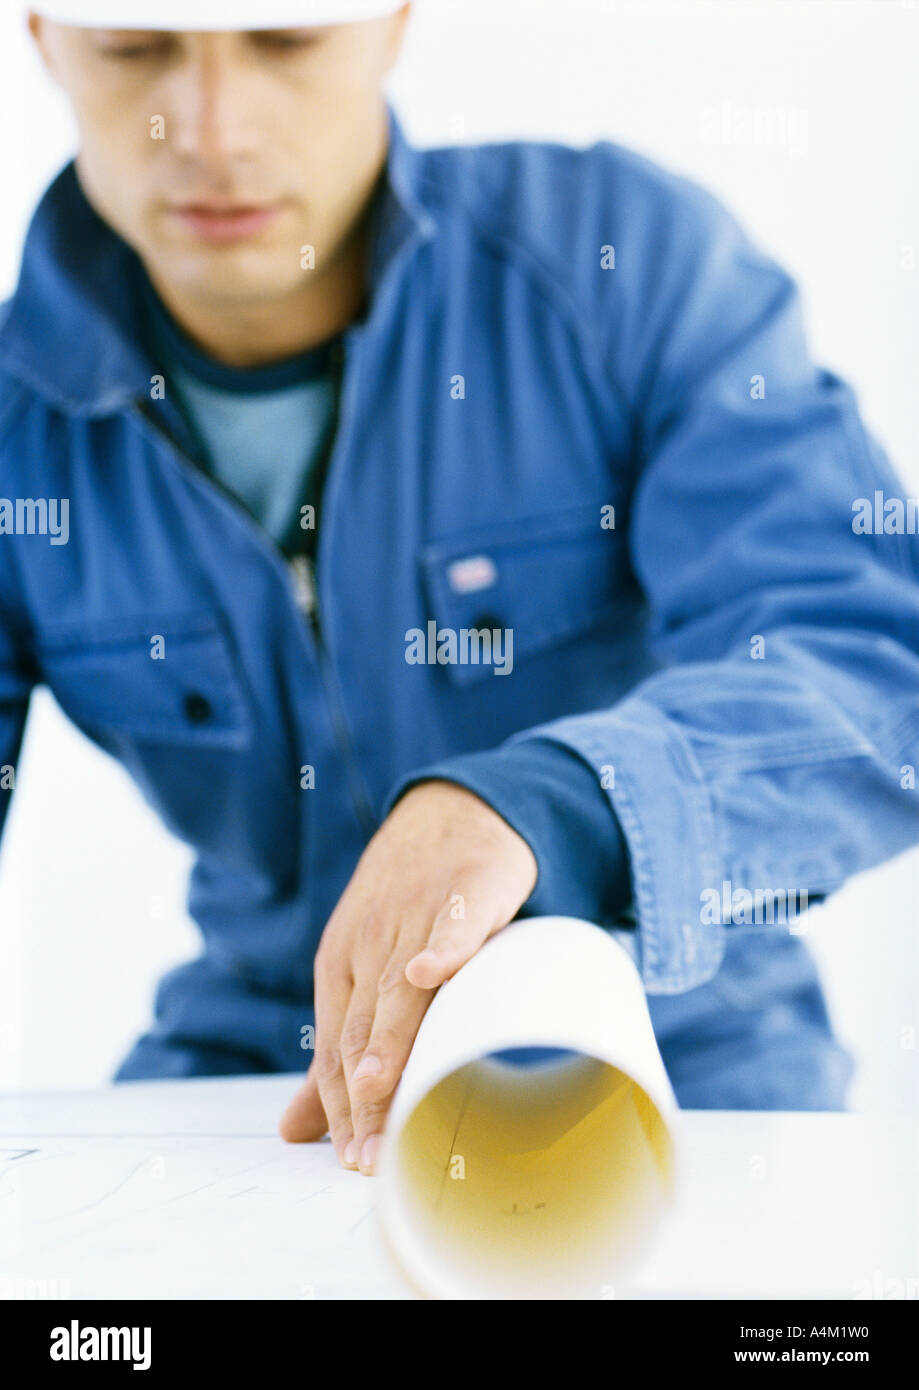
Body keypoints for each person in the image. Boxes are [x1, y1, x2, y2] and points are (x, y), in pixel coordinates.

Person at [3, 0, 917, 1177]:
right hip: (271, 1077)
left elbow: (874, 661)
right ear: (42, 36)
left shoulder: (624, 265)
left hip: (677, 1050)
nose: (215, 130)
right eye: (137, 50)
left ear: (393, 20)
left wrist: (552, 806)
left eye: (286, 42)